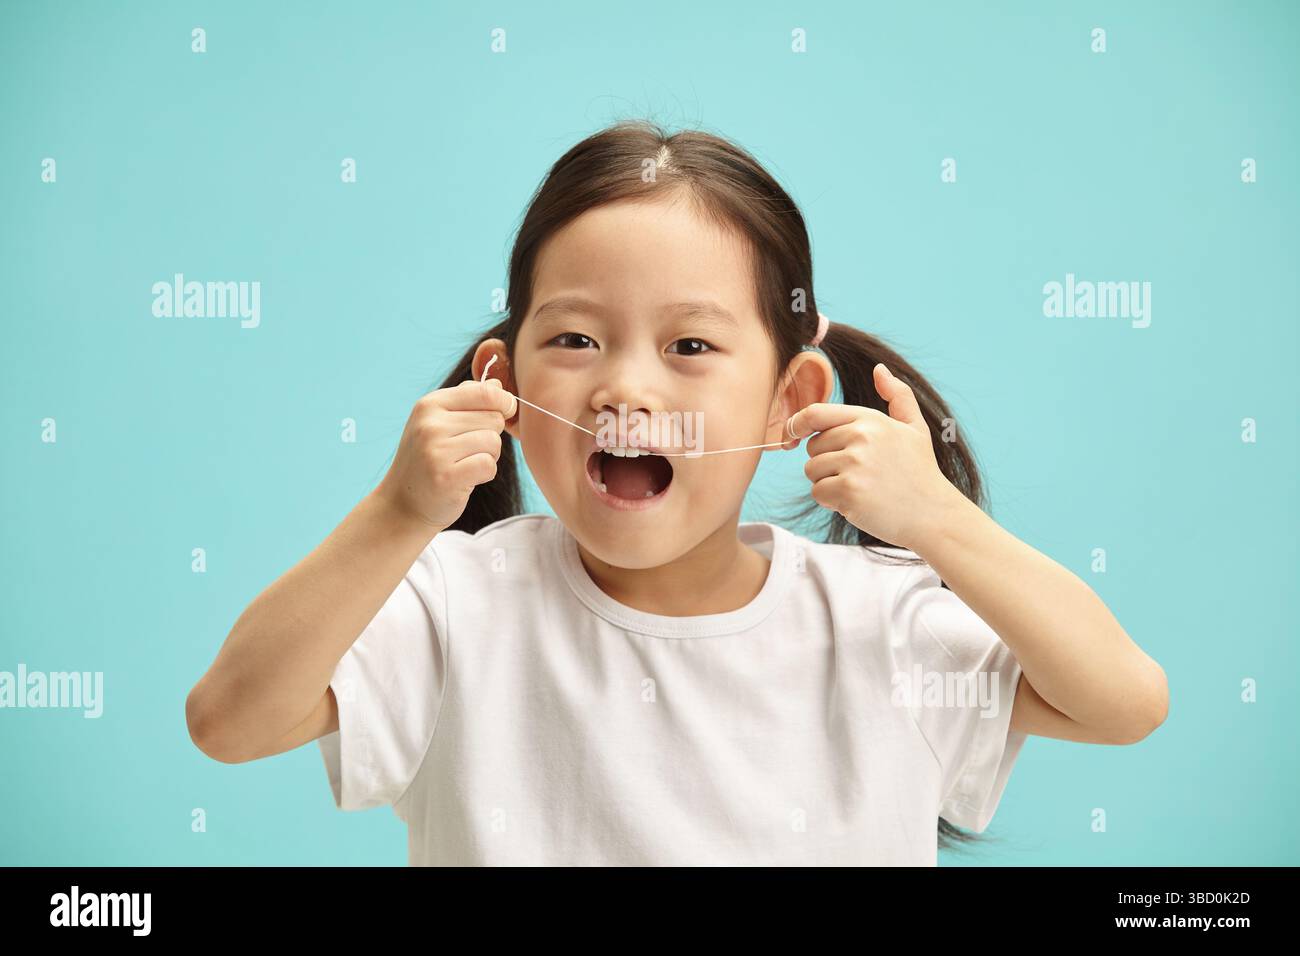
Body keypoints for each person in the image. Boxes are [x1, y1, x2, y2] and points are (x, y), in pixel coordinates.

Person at [185, 120, 1168, 865]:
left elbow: (1123, 701)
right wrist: (394, 515)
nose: (624, 386)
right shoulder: (454, 605)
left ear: (791, 400)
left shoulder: (881, 620)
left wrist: (935, 518)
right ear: (507, 384)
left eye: (690, 345)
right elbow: (230, 719)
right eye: (575, 339)